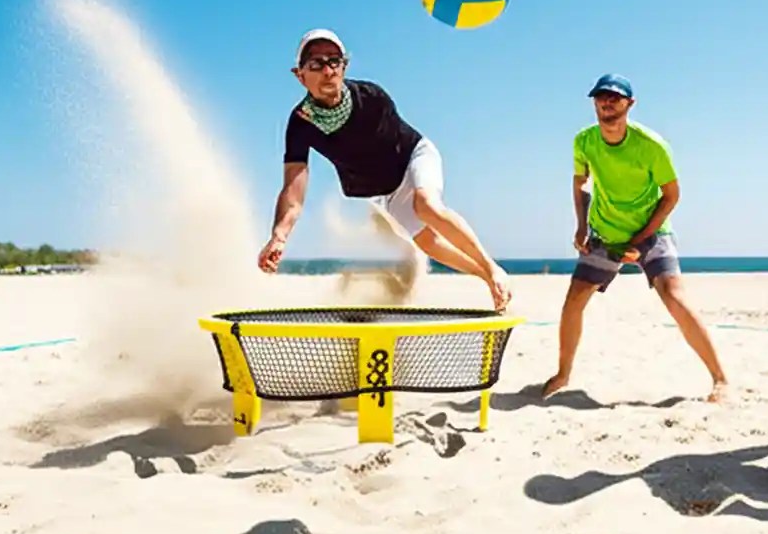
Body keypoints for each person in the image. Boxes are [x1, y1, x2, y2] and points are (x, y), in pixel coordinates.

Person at [257, 29, 511, 310]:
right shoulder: (300, 124)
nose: (327, 70)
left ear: (344, 67)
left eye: (334, 61)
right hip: (386, 191)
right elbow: (294, 190)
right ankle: (489, 278)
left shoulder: (371, 97)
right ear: (300, 75)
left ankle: (491, 267)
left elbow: (376, 152)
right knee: (428, 242)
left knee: (426, 205)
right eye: (316, 64)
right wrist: (279, 237)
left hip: (414, 157)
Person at [541, 74, 728, 402]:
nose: (607, 102)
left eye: (615, 97)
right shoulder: (584, 141)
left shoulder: (652, 145)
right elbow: (581, 183)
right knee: (574, 299)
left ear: (630, 104)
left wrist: (641, 240)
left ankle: (720, 379)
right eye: (601, 97)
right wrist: (581, 227)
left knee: (674, 297)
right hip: (606, 232)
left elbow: (671, 195)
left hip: (652, 230)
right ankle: (563, 374)